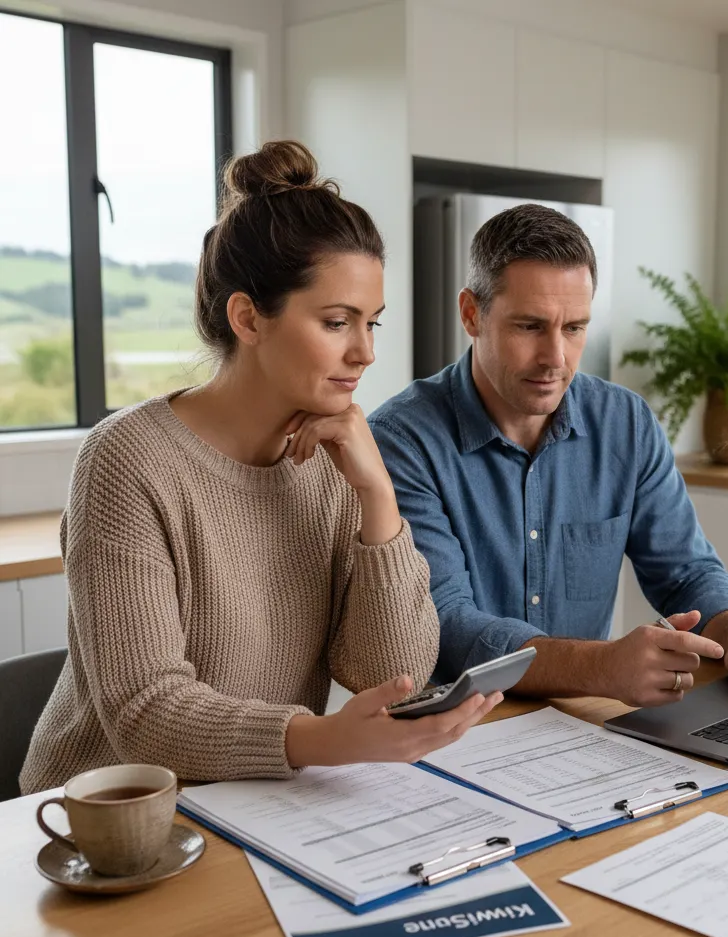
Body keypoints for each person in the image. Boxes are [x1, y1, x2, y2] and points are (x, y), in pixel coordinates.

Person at [20, 141, 500, 796]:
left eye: (372, 324)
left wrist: (378, 499)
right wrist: (323, 739)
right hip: (105, 817)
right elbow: (144, 711)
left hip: (252, 801)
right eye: (337, 322)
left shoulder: (338, 461)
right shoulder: (128, 461)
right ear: (248, 318)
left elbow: (392, 675)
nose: (364, 352)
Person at [369, 203, 728, 709]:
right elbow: (445, 625)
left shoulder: (625, 424)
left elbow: (687, 571)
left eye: (574, 328)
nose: (555, 358)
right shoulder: (402, 441)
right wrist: (601, 667)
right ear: (472, 314)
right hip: (457, 728)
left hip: (579, 717)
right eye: (530, 326)